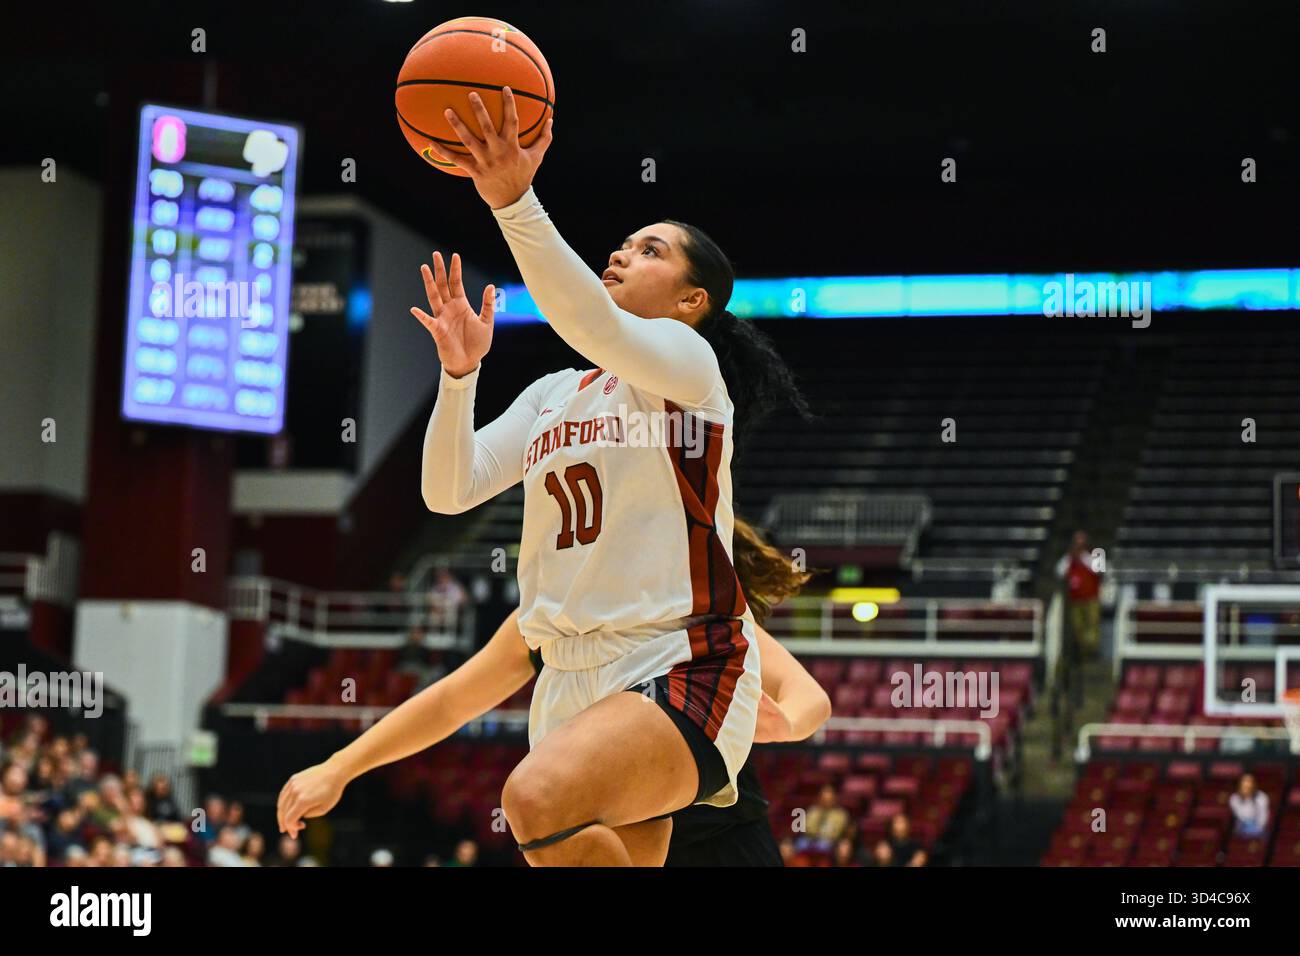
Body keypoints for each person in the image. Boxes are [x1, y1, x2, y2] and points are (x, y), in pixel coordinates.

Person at [402, 87, 809, 865]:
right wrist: (459, 379)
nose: (621, 254)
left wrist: (515, 201)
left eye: (650, 249)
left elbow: (585, 318)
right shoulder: (556, 394)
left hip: (680, 660)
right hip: (570, 676)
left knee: (532, 796)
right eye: (624, 243)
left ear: (692, 302)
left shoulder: (690, 370)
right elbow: (449, 490)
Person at [278, 517, 827, 867]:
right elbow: (451, 701)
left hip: (718, 841)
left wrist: (787, 722)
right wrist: (340, 767)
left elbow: (808, 697)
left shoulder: (686, 599)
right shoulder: (545, 618)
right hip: (606, 840)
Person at [1228, 773, 1269, 838]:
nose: (1246, 785)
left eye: (1249, 783)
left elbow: (1263, 817)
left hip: (1258, 829)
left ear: (1254, 785)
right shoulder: (1234, 798)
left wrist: (1257, 827)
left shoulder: (1262, 797)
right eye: (1244, 783)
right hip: (1240, 828)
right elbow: (1239, 816)